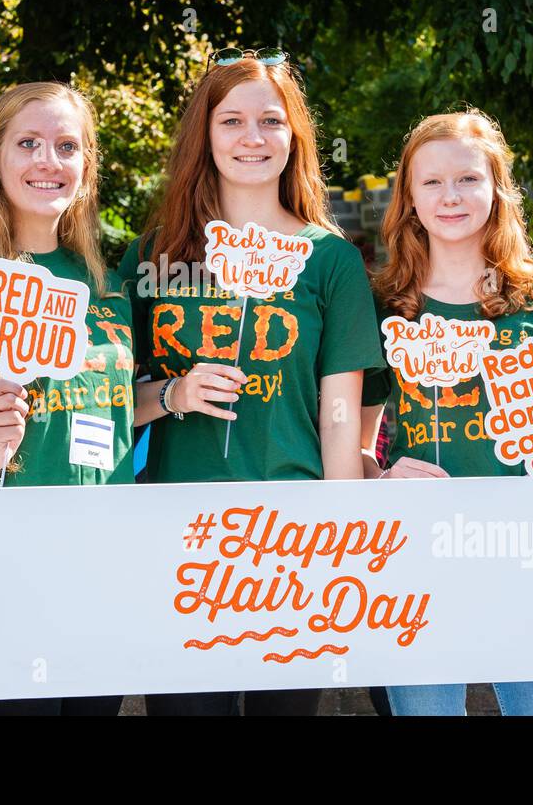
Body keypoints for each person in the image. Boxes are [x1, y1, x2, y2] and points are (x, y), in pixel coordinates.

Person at [119, 48, 384, 716]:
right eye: (232, 121)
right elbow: (107, 403)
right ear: (204, 136)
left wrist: (344, 535)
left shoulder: (331, 261)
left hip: (296, 534)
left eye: (270, 121)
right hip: (177, 533)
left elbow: (341, 415)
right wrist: (174, 394)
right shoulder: (152, 256)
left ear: (294, 136)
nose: (252, 138)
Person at [361, 108, 533, 716]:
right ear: (409, 200)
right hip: (412, 562)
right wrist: (380, 477)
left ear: (497, 189)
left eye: (468, 179)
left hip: (529, 559)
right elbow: (358, 445)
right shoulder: (380, 304)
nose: (451, 196)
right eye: (432, 183)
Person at [0, 81, 160, 715]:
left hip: (104, 556)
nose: (49, 160)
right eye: (29, 144)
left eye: (66, 146)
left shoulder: (108, 281)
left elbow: (112, 405)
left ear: (86, 164)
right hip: (6, 566)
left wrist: (176, 393)